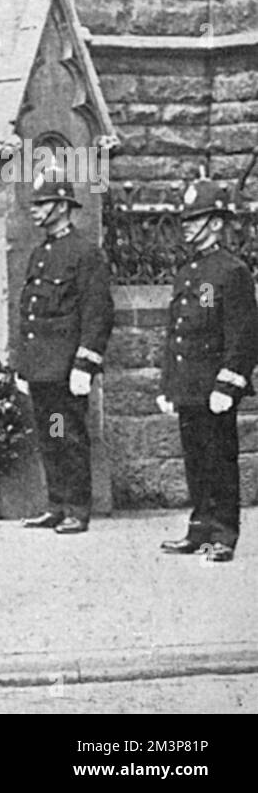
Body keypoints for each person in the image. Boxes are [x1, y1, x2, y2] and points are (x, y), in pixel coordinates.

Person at [158, 178, 258, 563]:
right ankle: (200, 528)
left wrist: (229, 382)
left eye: (195, 218)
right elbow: (177, 332)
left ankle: (223, 534)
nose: (186, 225)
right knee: (196, 460)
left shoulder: (231, 272)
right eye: (186, 218)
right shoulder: (189, 272)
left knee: (219, 460)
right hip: (189, 383)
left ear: (216, 223)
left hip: (215, 385)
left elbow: (243, 334)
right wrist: (168, 383)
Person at [17, 169, 114, 535]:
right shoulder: (40, 254)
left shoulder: (84, 254)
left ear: (61, 206)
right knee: (51, 435)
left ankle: (76, 507)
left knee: (69, 437)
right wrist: (24, 367)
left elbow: (97, 313)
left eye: (41, 204)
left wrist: (85, 364)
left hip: (65, 371)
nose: (35, 210)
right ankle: (57, 504)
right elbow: (29, 314)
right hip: (42, 371)